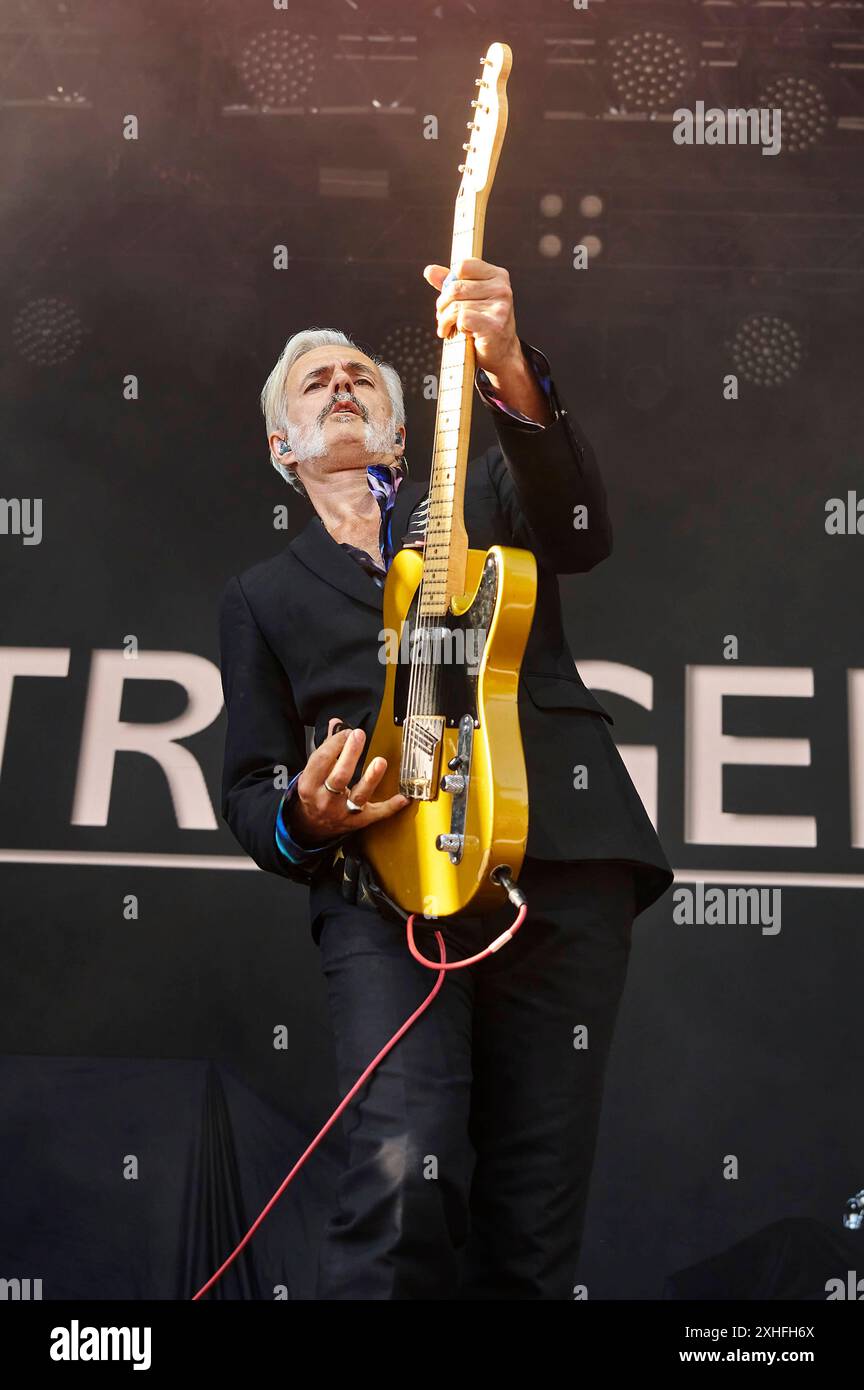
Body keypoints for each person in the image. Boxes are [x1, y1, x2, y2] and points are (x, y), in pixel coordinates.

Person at [218, 257, 673, 1299]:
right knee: (402, 1164)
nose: (341, 386)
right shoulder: (260, 594)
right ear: (282, 446)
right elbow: (249, 782)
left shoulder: (475, 491)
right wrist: (302, 812)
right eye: (315, 383)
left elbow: (579, 530)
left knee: (536, 1196)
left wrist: (507, 360)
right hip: (387, 885)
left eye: (362, 379)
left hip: (557, 853)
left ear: (398, 427)